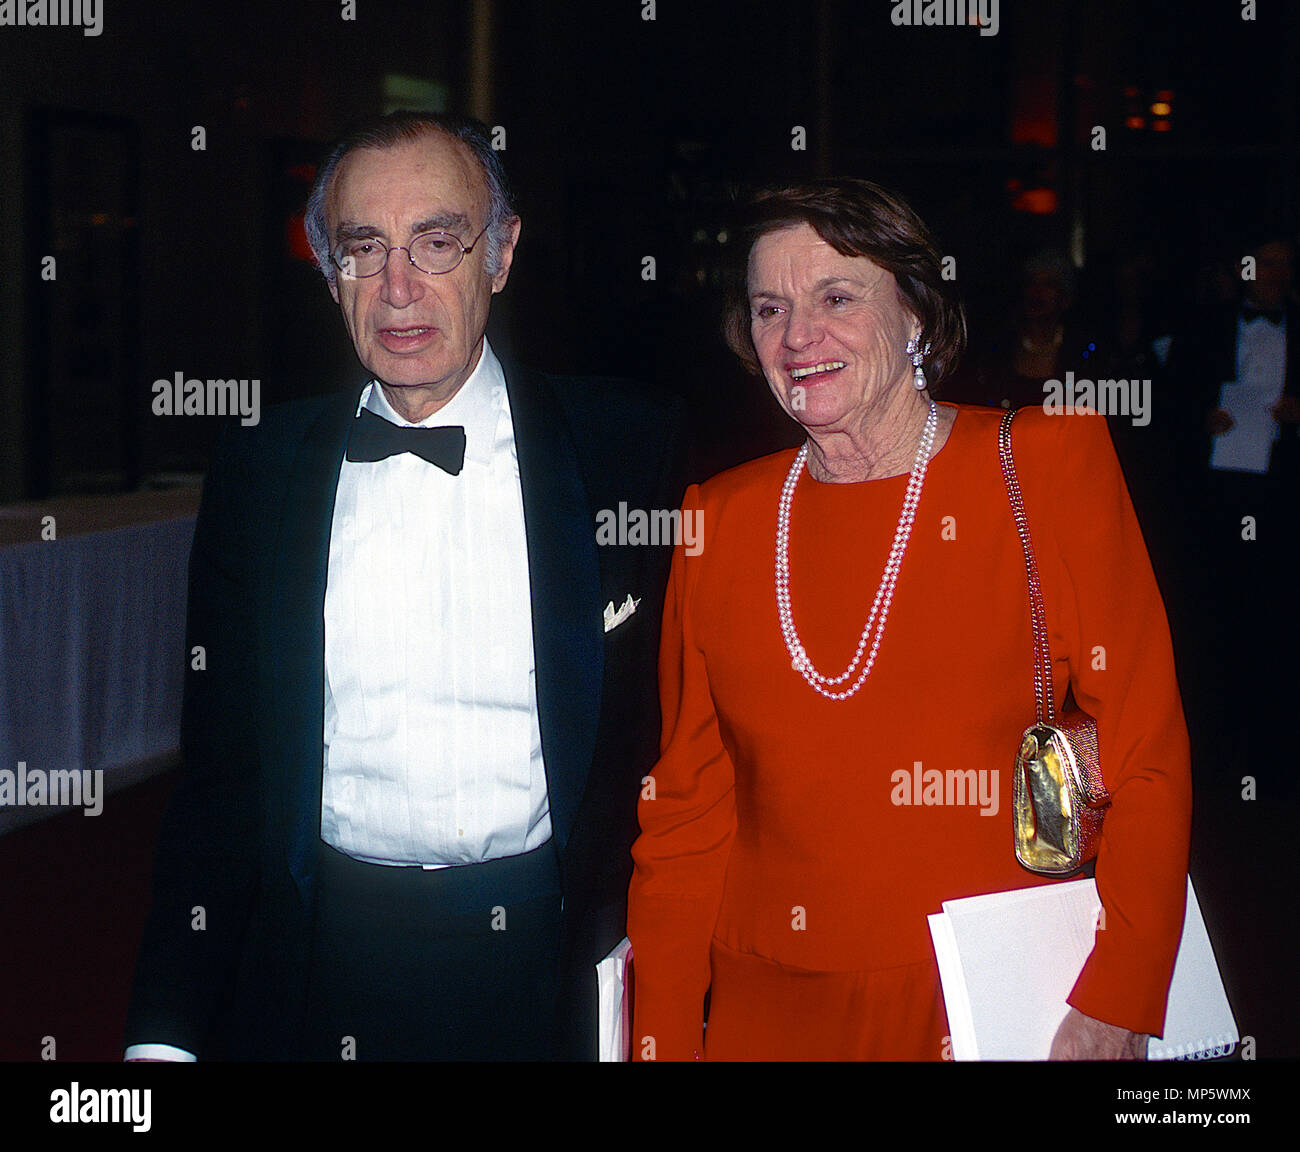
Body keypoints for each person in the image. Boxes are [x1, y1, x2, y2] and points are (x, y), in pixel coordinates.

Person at [124, 111, 685, 1060]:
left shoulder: (633, 446)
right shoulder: (259, 470)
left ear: (500, 254)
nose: (398, 287)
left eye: (437, 241)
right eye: (364, 248)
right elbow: (220, 783)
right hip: (323, 960)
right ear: (326, 267)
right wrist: (163, 1038)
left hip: (555, 957)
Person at [626, 179, 1191, 1061]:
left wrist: (1120, 992)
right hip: (767, 1006)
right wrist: (658, 1037)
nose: (797, 336)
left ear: (917, 314)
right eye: (769, 308)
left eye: (837, 297)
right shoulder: (717, 518)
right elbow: (686, 816)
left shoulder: (1046, 463)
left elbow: (1145, 749)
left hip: (993, 993)